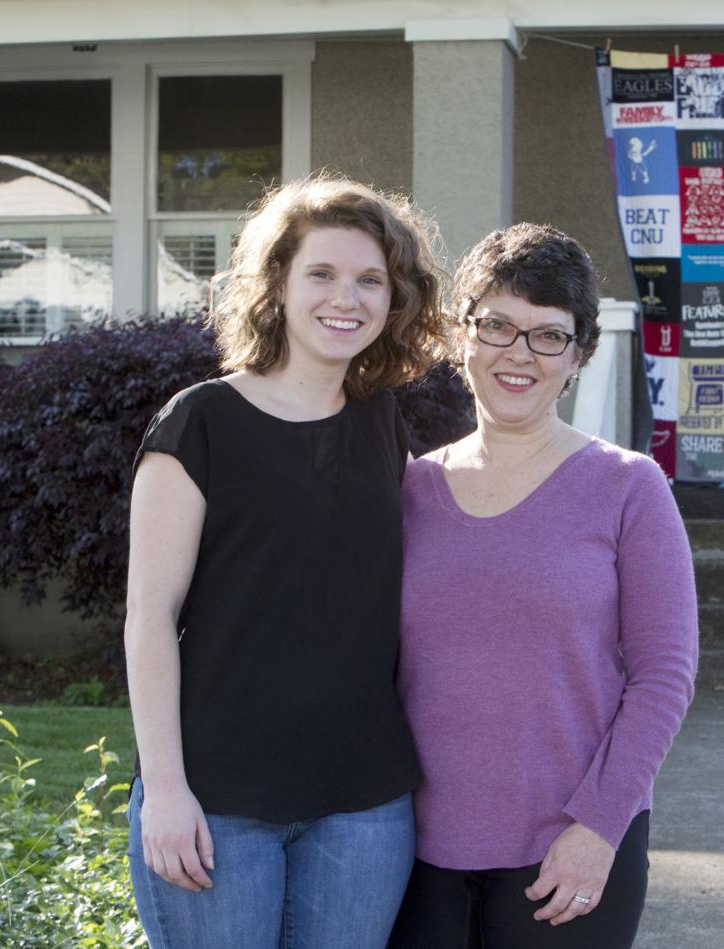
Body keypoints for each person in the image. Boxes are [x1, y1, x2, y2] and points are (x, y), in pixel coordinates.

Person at [123, 175, 443, 948]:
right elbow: (149, 620)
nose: (349, 298)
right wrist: (164, 789)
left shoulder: (382, 425)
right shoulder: (199, 423)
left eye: (372, 280)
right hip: (218, 800)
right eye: (323, 274)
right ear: (278, 284)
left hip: (362, 804)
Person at [388, 223, 698, 949]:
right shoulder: (406, 490)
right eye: (497, 325)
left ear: (579, 355)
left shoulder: (629, 488)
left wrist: (599, 828)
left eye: (548, 335)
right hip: (413, 856)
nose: (518, 354)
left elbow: (665, 675)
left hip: (569, 852)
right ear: (461, 335)